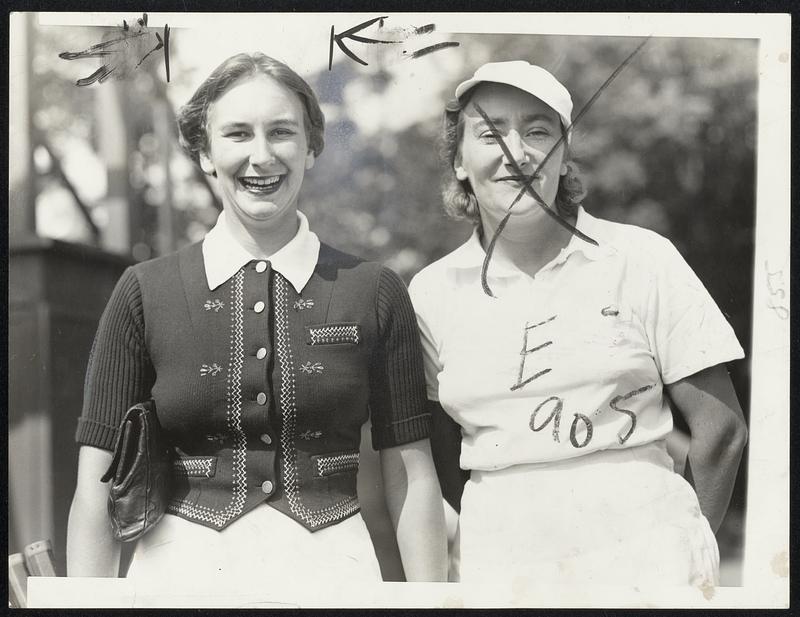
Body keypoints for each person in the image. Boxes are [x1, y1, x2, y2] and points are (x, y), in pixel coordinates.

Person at [67, 52, 447, 589]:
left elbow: (411, 476)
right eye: (238, 134)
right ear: (205, 152)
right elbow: (95, 484)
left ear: (311, 147)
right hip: (180, 576)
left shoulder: (375, 290)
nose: (261, 156)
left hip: (333, 575)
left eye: (282, 132)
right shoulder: (144, 292)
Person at [409, 60, 748, 586]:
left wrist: (683, 540)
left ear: (564, 156)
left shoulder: (642, 257)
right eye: (491, 133)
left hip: (645, 562)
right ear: (459, 161)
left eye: (538, 132)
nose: (516, 152)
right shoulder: (431, 293)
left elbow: (721, 429)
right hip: (500, 568)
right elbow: (439, 453)